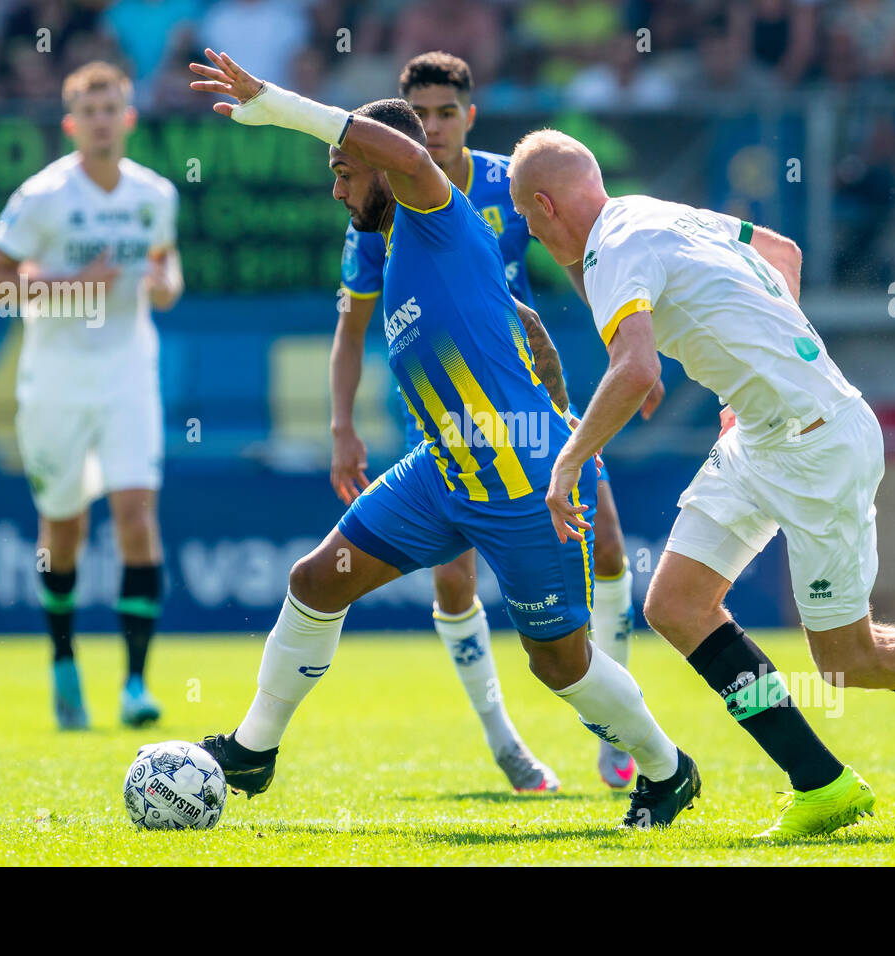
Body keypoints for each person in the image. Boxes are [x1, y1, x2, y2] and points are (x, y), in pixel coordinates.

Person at [508, 129, 895, 838]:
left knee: (849, 662)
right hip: (764, 434)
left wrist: (568, 461)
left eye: (526, 216)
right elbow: (782, 251)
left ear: (543, 205)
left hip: (819, 445)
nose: (529, 232)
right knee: (676, 603)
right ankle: (821, 783)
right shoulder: (652, 213)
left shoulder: (613, 251)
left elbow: (637, 371)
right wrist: (765, 363)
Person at [187, 49, 700, 829]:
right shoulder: (397, 246)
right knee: (317, 581)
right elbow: (509, 316)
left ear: (383, 166)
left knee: (558, 662)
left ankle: (667, 771)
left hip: (519, 479)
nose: (337, 188)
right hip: (441, 471)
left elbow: (410, 155)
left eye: (344, 171)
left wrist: (281, 105)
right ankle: (254, 751)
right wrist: (540, 359)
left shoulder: (434, 206)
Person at [334, 51, 656, 793]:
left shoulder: (511, 187)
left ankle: (612, 734)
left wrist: (627, 350)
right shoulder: (378, 206)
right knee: (454, 576)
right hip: (450, 414)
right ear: (404, 125)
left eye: (449, 113)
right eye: (423, 116)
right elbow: (350, 330)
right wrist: (340, 425)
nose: (437, 127)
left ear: (469, 117)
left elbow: (579, 255)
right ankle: (502, 737)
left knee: (606, 540)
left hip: (535, 401)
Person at [0, 61, 183, 731]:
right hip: (55, 380)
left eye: (110, 108)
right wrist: (75, 285)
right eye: (87, 111)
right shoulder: (43, 196)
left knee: (136, 515)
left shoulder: (155, 195)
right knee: (63, 528)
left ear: (128, 119)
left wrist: (165, 283)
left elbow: (165, 264)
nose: (99, 120)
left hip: (127, 371)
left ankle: (135, 684)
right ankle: (64, 665)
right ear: (71, 124)